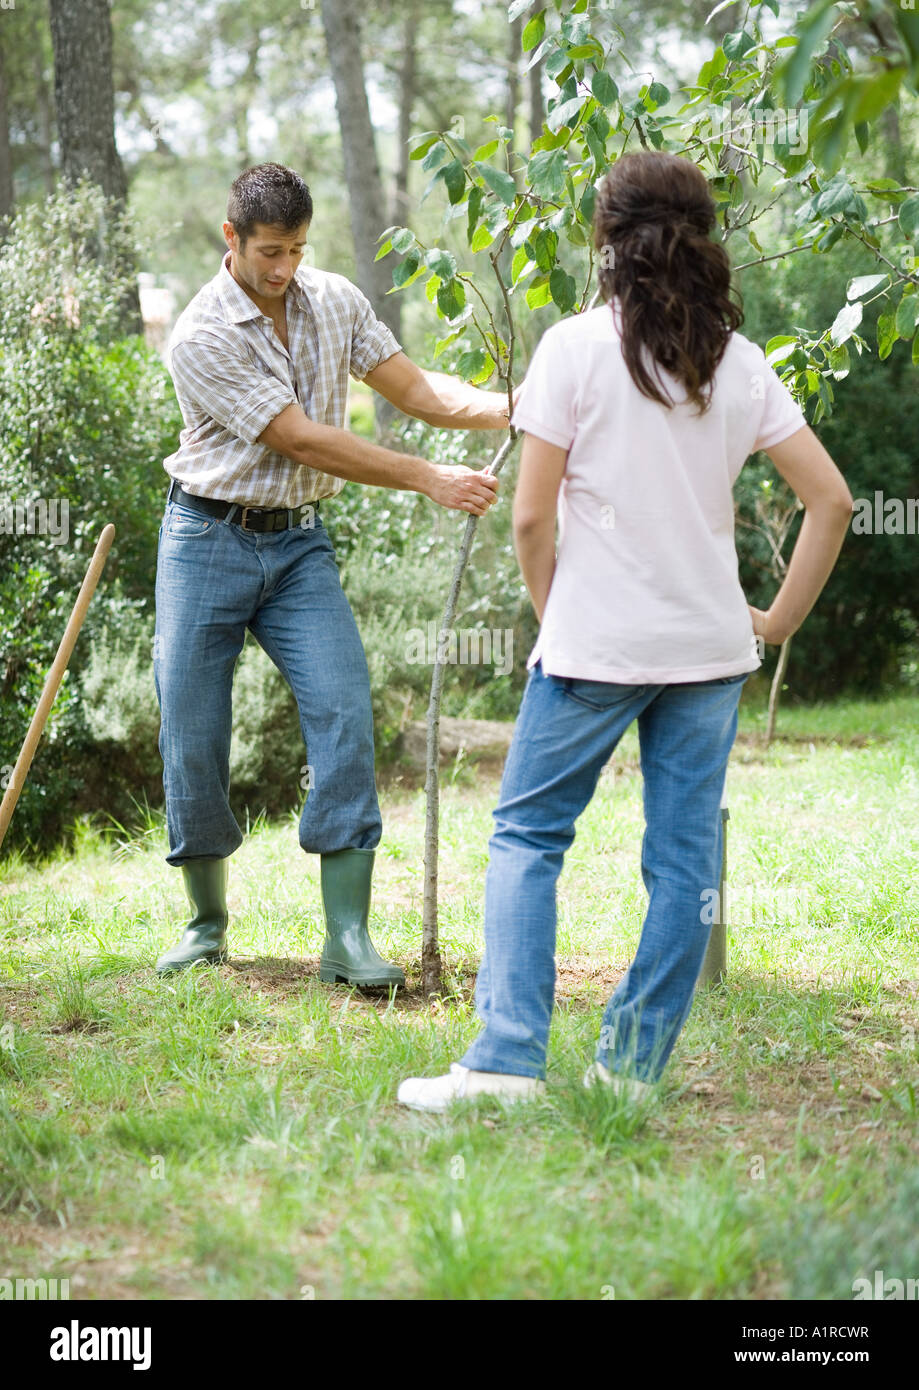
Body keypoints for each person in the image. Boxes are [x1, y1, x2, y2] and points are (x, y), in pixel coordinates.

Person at [398, 150, 853, 1111]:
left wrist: (555, 611)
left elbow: (530, 519)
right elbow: (832, 502)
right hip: (707, 654)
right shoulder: (739, 364)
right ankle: (630, 1073)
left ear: (607, 235)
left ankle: (505, 1065)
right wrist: (771, 622)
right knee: (684, 864)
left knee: (527, 836)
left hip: (593, 647)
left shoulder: (571, 349)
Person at [154, 162, 510, 983]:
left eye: (298, 250)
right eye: (269, 252)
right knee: (194, 732)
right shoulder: (201, 334)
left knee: (344, 710)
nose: (283, 270)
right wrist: (427, 477)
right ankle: (206, 923)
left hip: (297, 546)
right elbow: (305, 440)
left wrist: (508, 403)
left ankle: (345, 939)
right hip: (205, 538)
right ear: (231, 238)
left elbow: (416, 390)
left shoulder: (336, 300)